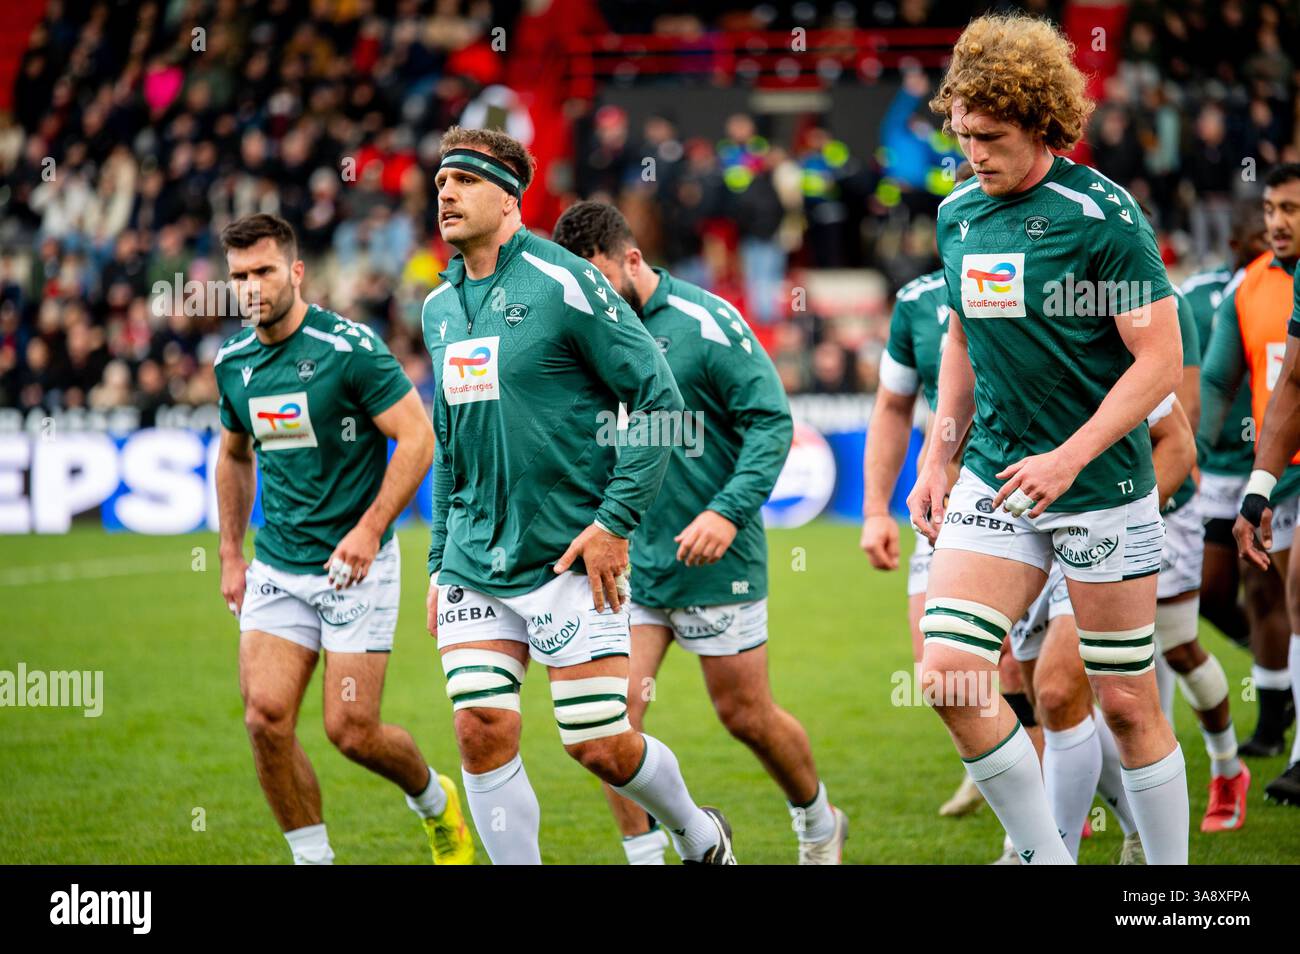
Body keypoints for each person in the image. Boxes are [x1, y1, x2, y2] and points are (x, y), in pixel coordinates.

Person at [909, 13, 1188, 864]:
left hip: (1099, 487)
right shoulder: (956, 215)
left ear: (1040, 122)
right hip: (998, 477)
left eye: (989, 138)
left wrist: (1072, 456)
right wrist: (938, 453)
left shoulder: (1101, 215)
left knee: (1129, 704)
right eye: (960, 137)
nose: (972, 155)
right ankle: (1046, 858)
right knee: (949, 674)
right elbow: (960, 339)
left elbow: (1161, 361)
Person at [422, 126, 734, 864]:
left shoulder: (565, 280)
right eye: (440, 183)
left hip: (568, 554)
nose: (447, 194)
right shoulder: (438, 308)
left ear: (509, 198)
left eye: (464, 181)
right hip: (473, 558)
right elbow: (449, 438)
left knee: (598, 745)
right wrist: (438, 558)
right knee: (479, 729)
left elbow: (657, 397)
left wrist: (614, 524)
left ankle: (697, 834)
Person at [552, 199, 848, 865]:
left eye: (596, 281)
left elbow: (771, 422)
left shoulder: (706, 323)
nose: (588, 299)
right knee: (608, 722)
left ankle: (818, 822)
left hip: (716, 559)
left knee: (747, 716)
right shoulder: (583, 331)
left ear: (631, 259)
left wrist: (725, 510)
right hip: (623, 560)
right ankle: (651, 855)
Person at [213, 212, 472, 865]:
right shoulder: (233, 364)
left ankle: (434, 803)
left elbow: (417, 438)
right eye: (239, 275)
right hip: (277, 566)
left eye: (265, 270)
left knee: (351, 732)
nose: (252, 286)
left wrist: (369, 528)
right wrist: (229, 553)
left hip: (357, 566)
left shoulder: (348, 350)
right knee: (264, 718)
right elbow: (235, 455)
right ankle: (313, 858)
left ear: (296, 272)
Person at [1226, 172, 1300, 806]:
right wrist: (1258, 488)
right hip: (1290, 469)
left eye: (1292, 210)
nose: (1278, 222)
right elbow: (1293, 387)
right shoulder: (1263, 284)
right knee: (1286, 588)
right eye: (1272, 208)